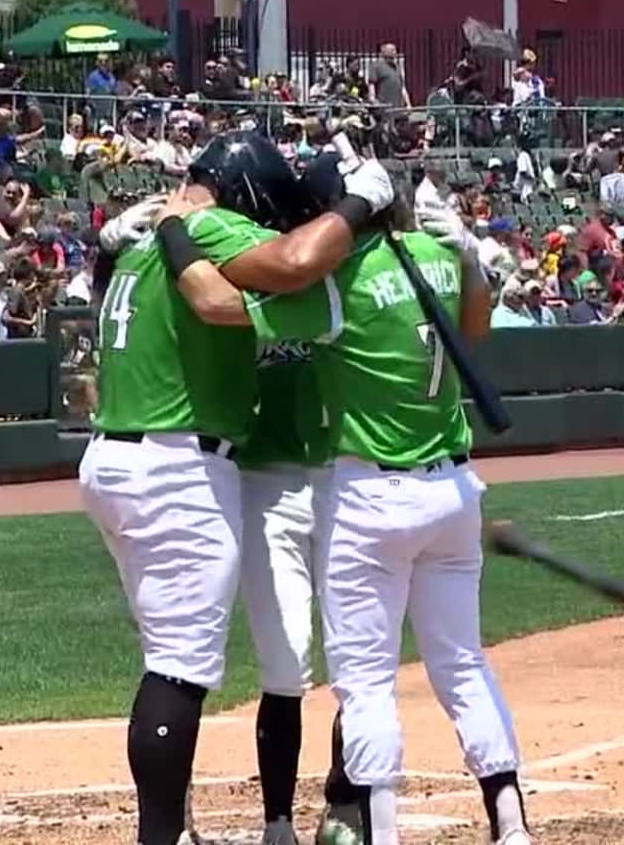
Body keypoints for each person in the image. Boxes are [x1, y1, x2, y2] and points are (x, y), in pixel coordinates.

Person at [157, 152, 530, 845]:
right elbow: (473, 330)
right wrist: (476, 261)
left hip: (372, 492)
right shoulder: (437, 253)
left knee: (364, 683)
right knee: (463, 664)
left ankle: (380, 831)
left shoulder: (341, 281)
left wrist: (178, 232)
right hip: (453, 487)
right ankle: (510, 820)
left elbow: (220, 302)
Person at [78, 131, 395, 845]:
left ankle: (174, 829)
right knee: (179, 668)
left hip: (113, 456)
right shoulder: (208, 223)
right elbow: (290, 264)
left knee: (163, 653)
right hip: (175, 460)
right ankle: (161, 837)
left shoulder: (136, 244)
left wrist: (103, 245)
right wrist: (357, 205)